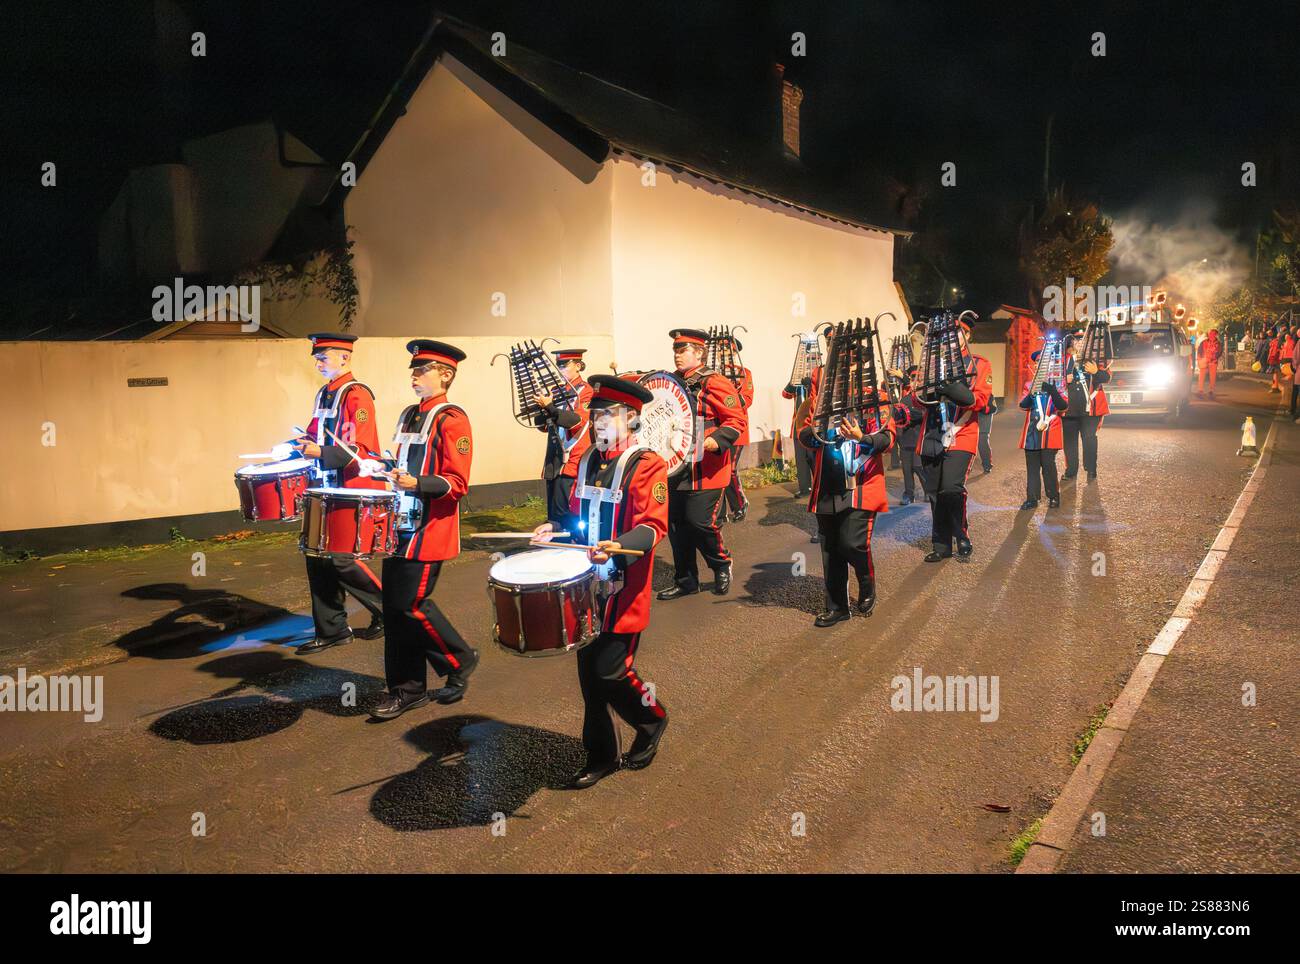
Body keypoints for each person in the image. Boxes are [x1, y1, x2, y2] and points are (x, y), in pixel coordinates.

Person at [534, 375, 670, 789]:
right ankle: (602, 755)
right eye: (594, 416)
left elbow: (653, 526)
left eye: (605, 416)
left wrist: (619, 545)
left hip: (623, 587)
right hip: (585, 586)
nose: (596, 423)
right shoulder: (590, 459)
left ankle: (652, 717)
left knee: (612, 672)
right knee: (589, 678)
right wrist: (553, 529)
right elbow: (577, 515)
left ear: (630, 417)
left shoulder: (648, 463)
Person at [370, 340, 478, 720]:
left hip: (428, 526)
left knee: (409, 605)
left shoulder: (452, 419)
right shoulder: (407, 415)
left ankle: (458, 659)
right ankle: (408, 689)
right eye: (413, 370)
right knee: (394, 609)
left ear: (445, 375)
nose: (414, 376)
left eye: (422, 370)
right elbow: (402, 461)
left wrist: (416, 483)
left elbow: (456, 482)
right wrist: (382, 465)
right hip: (398, 524)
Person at [290, 333, 386, 656]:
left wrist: (318, 451)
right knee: (316, 553)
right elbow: (315, 430)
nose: (317, 362)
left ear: (345, 358)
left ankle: (390, 610)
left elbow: (361, 449)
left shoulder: (356, 396)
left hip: (351, 489)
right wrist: (300, 443)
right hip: (326, 487)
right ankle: (332, 630)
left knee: (342, 559)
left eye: (323, 356)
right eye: (316, 358)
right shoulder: (324, 393)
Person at [797, 368, 895, 626]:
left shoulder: (875, 396)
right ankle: (837, 607)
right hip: (827, 482)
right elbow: (804, 435)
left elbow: (887, 439)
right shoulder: (818, 402)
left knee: (852, 543)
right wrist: (824, 432)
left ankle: (866, 582)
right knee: (831, 549)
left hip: (862, 483)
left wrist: (861, 437)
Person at [657, 329, 746, 599]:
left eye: (683, 350)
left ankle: (721, 564)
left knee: (699, 522)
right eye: (676, 350)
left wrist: (713, 441)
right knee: (676, 527)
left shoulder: (715, 382)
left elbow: (736, 421)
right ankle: (686, 580)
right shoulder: (669, 383)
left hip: (705, 469)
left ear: (699, 352)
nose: (677, 355)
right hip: (675, 466)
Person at [915, 318, 994, 562]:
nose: (951, 338)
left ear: (967, 336)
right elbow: (916, 398)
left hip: (962, 432)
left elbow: (980, 400)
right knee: (935, 493)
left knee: (951, 488)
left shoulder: (979, 364)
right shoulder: (931, 363)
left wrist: (952, 388)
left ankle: (961, 534)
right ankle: (941, 545)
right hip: (933, 433)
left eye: (957, 333)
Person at [533, 347, 592, 527]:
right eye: (557, 365)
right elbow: (542, 426)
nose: (560, 369)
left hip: (572, 462)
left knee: (566, 516)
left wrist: (550, 407)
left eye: (564, 364)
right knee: (553, 518)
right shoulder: (555, 392)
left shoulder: (586, 391)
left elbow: (576, 421)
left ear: (578, 366)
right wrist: (542, 409)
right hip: (554, 461)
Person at [1060, 332, 1111, 483]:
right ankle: (1071, 470)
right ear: (1072, 342)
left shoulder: (1095, 360)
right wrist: (1064, 378)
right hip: (1069, 408)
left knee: (1089, 439)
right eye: (1077, 340)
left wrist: (1096, 372)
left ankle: (1091, 469)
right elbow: (1053, 379)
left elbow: (1107, 377)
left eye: (1083, 340)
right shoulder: (1063, 360)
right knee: (1069, 442)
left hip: (1090, 408)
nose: (1080, 343)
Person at [1017, 365, 1068, 511]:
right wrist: (1032, 394)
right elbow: (1023, 405)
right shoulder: (1029, 384)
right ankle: (1032, 498)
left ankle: (1053, 496)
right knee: (1032, 468)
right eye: (1037, 363)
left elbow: (1063, 406)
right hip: (1032, 431)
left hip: (1050, 430)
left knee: (1048, 466)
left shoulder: (1059, 383)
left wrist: (1053, 390)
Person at [722, 337, 755, 522]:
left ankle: (740, 504)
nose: (724, 354)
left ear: (735, 352)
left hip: (737, 428)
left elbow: (747, 399)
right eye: (722, 350)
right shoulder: (715, 373)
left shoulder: (744, 373)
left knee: (731, 469)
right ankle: (720, 511)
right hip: (716, 429)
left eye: (728, 350)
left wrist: (727, 397)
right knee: (719, 471)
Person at [889, 364, 926, 505]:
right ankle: (909, 494)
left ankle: (928, 491)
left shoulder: (923, 396)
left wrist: (909, 415)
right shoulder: (904, 395)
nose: (914, 381)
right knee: (906, 469)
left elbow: (923, 414)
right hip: (905, 438)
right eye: (912, 378)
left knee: (919, 467)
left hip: (918, 438)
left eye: (917, 378)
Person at [1196, 328, 1222, 399]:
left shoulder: (1218, 343)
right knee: (1201, 375)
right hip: (1204, 360)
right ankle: (1200, 390)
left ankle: (1211, 390)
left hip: (1213, 361)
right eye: (1210, 333)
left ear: (1215, 335)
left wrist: (1214, 357)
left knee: (1212, 376)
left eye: (1213, 333)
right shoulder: (1204, 342)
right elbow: (1199, 350)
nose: (1211, 335)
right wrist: (1200, 359)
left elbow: (1219, 352)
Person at [977, 395, 997, 474]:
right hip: (970, 423)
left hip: (983, 424)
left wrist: (982, 407)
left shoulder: (988, 395)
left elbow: (994, 409)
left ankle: (987, 465)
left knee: (982, 444)